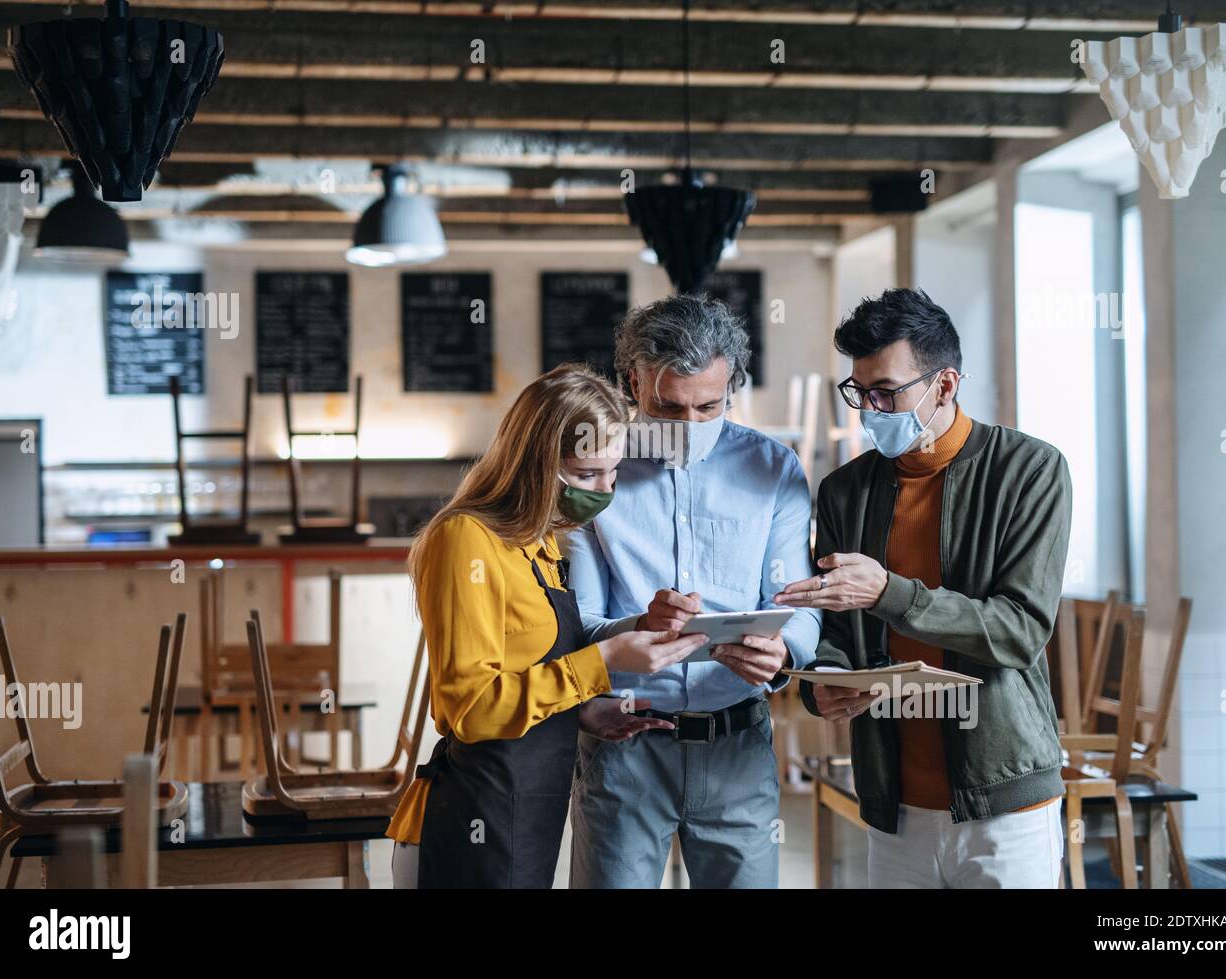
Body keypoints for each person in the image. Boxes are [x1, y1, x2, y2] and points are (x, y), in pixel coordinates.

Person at [775, 288, 1070, 888]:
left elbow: (1019, 630)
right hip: (894, 800)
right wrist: (825, 683)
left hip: (1004, 798)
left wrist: (889, 593)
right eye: (860, 392)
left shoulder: (1030, 471)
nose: (871, 409)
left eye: (887, 391)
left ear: (945, 384)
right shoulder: (843, 491)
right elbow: (833, 630)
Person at [386, 364, 708, 889]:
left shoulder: (541, 544)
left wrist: (583, 713)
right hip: (469, 818)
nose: (605, 492)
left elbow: (529, 671)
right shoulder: (466, 539)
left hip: (523, 816)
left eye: (613, 472)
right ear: (534, 463)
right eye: (586, 476)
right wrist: (602, 663)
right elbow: (469, 710)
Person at [565, 294, 822, 889]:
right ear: (634, 382)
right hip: (624, 742)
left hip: (737, 745)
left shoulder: (774, 469)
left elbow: (797, 602)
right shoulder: (596, 467)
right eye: (669, 407)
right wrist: (636, 628)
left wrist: (784, 653)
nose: (689, 426)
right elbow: (580, 624)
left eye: (709, 406)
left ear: (732, 386)